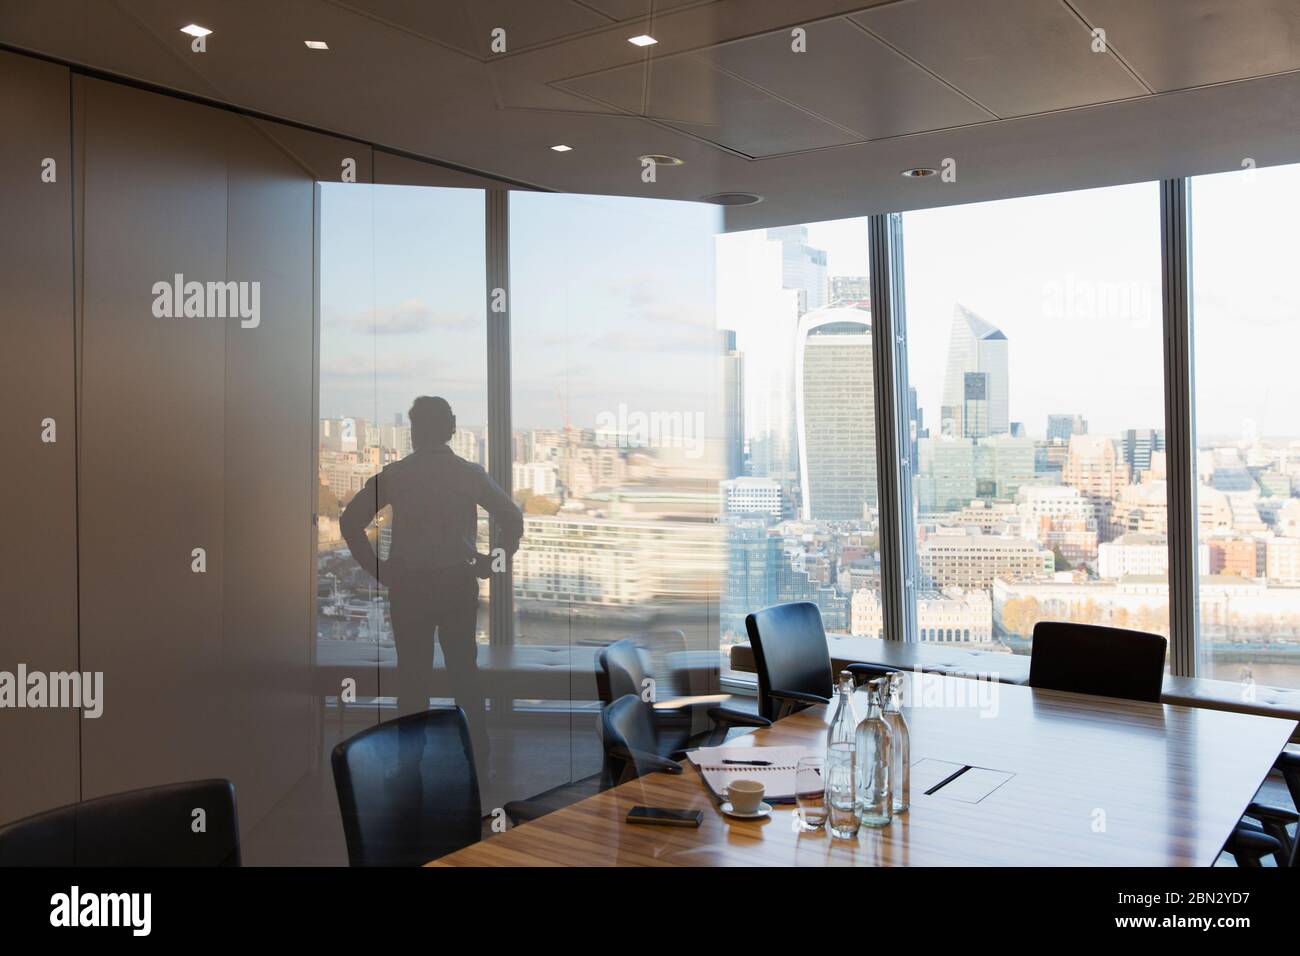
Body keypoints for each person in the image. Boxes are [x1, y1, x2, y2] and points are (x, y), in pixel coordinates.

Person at [341, 396, 523, 773]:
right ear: (452, 428)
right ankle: (477, 760)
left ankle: (409, 765)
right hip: (457, 582)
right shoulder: (469, 473)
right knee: (465, 675)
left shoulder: (395, 475)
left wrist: (378, 569)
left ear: (413, 432)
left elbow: (349, 522)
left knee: (412, 678)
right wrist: (495, 560)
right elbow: (511, 516)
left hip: (408, 585)